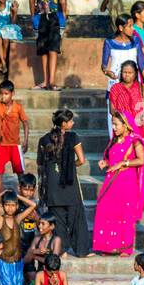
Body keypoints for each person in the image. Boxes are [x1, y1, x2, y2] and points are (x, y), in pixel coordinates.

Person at [35, 110, 90, 257]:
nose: (73, 123)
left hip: (52, 185)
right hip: (69, 182)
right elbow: (82, 160)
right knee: (76, 217)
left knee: (57, 218)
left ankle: (61, 250)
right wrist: (71, 165)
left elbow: (40, 163)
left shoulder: (44, 139)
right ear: (64, 124)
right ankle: (81, 250)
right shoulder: (73, 137)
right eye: (71, 121)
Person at [92, 111, 144, 256]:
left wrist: (124, 163)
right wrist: (106, 163)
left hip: (127, 183)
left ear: (126, 125)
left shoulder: (134, 140)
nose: (114, 128)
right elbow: (112, 159)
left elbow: (141, 160)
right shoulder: (114, 140)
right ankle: (108, 246)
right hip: (111, 181)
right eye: (113, 124)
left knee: (124, 214)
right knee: (106, 209)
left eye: (116, 124)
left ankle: (125, 248)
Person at [29, 0, 68, 89]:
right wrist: (32, 16)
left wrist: (64, 12)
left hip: (55, 14)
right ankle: (45, 81)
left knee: (53, 47)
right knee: (43, 48)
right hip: (40, 15)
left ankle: (52, 81)